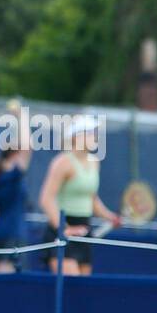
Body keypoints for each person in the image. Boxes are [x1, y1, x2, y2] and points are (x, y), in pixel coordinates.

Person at [38, 115, 121, 276]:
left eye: (94, 132)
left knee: (83, 293)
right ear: (76, 136)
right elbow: (46, 199)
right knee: (70, 291)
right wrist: (65, 228)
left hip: (84, 233)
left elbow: (92, 198)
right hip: (63, 233)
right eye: (89, 132)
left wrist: (110, 216)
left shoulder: (95, 162)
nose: (95, 136)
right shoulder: (62, 162)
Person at [0, 124, 33, 273]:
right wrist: (21, 115)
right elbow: (28, 147)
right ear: (14, 154)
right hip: (12, 234)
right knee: (8, 277)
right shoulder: (12, 176)